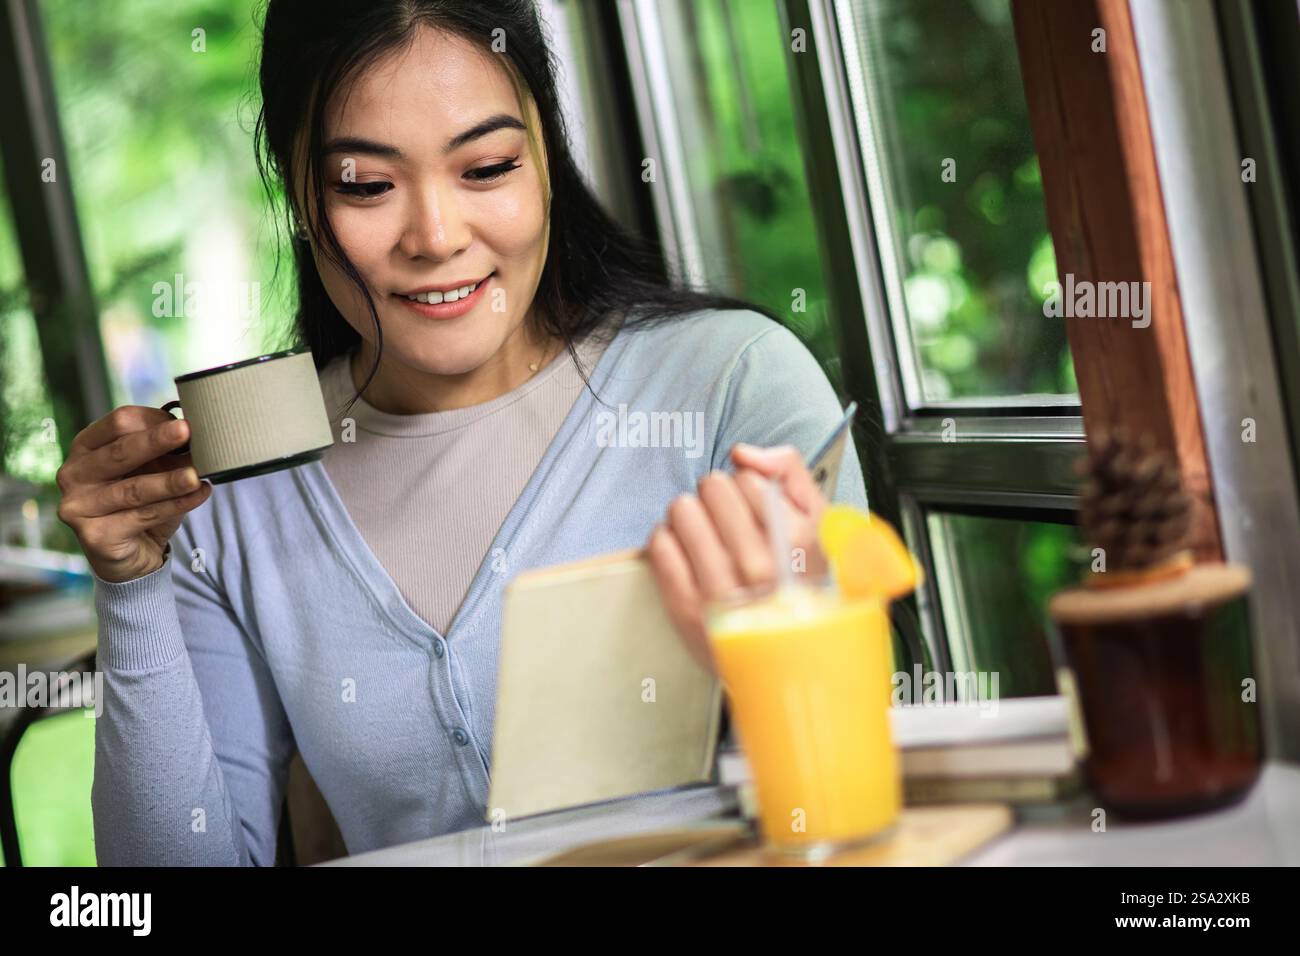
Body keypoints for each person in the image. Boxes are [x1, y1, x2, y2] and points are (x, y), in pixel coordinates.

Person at [55, 0, 867, 865]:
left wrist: (785, 633)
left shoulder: (729, 386)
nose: (437, 238)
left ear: (546, 160)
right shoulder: (236, 490)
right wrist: (132, 589)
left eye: (486, 167)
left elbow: (856, 787)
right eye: (366, 185)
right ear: (297, 194)